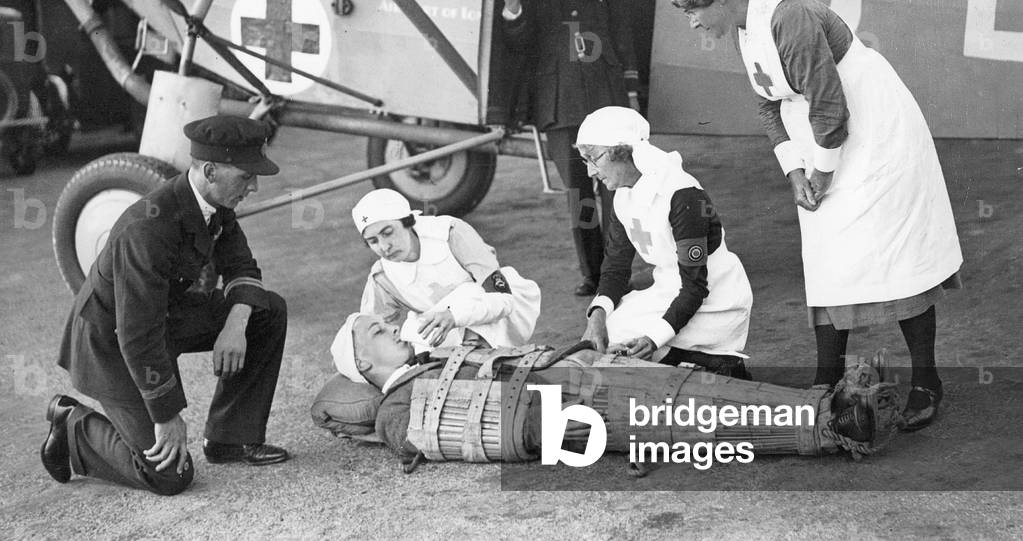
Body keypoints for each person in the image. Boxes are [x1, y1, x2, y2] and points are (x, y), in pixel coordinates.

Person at [668, 0, 963, 430]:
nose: (693, 22)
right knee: (825, 254)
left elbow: (831, 103)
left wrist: (820, 174)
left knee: (898, 256)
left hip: (875, 132)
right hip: (823, 136)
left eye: (695, 8)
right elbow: (768, 105)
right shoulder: (745, 28)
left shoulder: (791, 16)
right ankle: (825, 382)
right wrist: (794, 172)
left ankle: (928, 382)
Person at [42, 115, 289, 495]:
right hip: (112, 344)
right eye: (246, 176)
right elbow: (136, 335)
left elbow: (241, 265)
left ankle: (229, 439)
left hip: (161, 321)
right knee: (169, 476)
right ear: (209, 170)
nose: (254, 186)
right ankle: (73, 426)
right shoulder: (147, 229)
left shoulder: (214, 201)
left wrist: (236, 324)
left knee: (266, 311)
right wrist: (166, 414)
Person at [317, 312, 900, 469]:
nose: (391, 328)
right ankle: (833, 427)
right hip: (552, 413)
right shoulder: (396, 405)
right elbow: (428, 437)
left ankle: (825, 406)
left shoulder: (433, 361)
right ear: (363, 364)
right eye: (376, 332)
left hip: (558, 377)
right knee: (679, 416)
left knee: (688, 385)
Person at [500, 0, 640, 296]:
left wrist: (630, 92)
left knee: (614, 191)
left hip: (605, 97)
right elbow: (518, 42)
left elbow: (622, 32)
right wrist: (513, 7)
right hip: (558, 101)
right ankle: (591, 275)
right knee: (578, 193)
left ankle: (616, 275)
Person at [574, 107, 753, 378]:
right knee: (609, 331)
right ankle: (680, 360)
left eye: (593, 159)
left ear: (622, 151)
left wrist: (653, 340)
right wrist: (596, 318)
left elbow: (694, 287)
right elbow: (615, 270)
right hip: (670, 290)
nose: (589, 172)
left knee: (636, 343)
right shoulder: (623, 196)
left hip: (714, 300)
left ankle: (716, 362)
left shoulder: (682, 195)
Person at [336, 188, 540, 366]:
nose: (383, 247)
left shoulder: (450, 233)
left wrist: (455, 316)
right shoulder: (382, 277)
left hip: (503, 310)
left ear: (407, 222)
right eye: (372, 241)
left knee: (467, 293)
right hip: (444, 331)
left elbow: (504, 299)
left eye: (388, 232)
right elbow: (367, 337)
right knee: (413, 330)